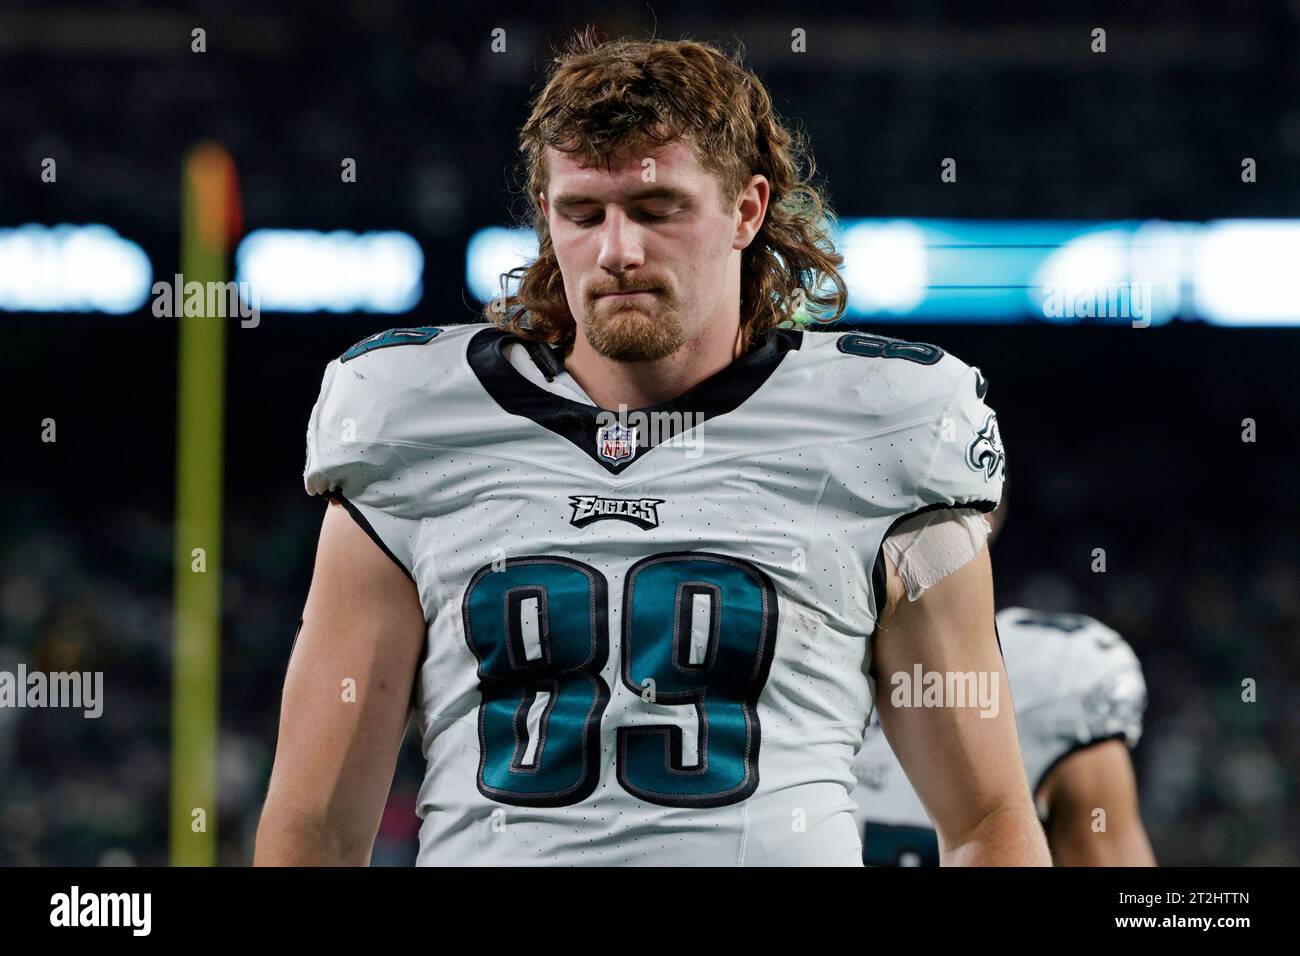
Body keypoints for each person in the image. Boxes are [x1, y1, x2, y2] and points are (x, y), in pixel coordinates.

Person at [255, 31, 1047, 866]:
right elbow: (316, 829)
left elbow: (988, 824)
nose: (617, 251)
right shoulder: (409, 420)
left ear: (747, 210)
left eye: (657, 209)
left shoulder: (889, 426)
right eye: (582, 213)